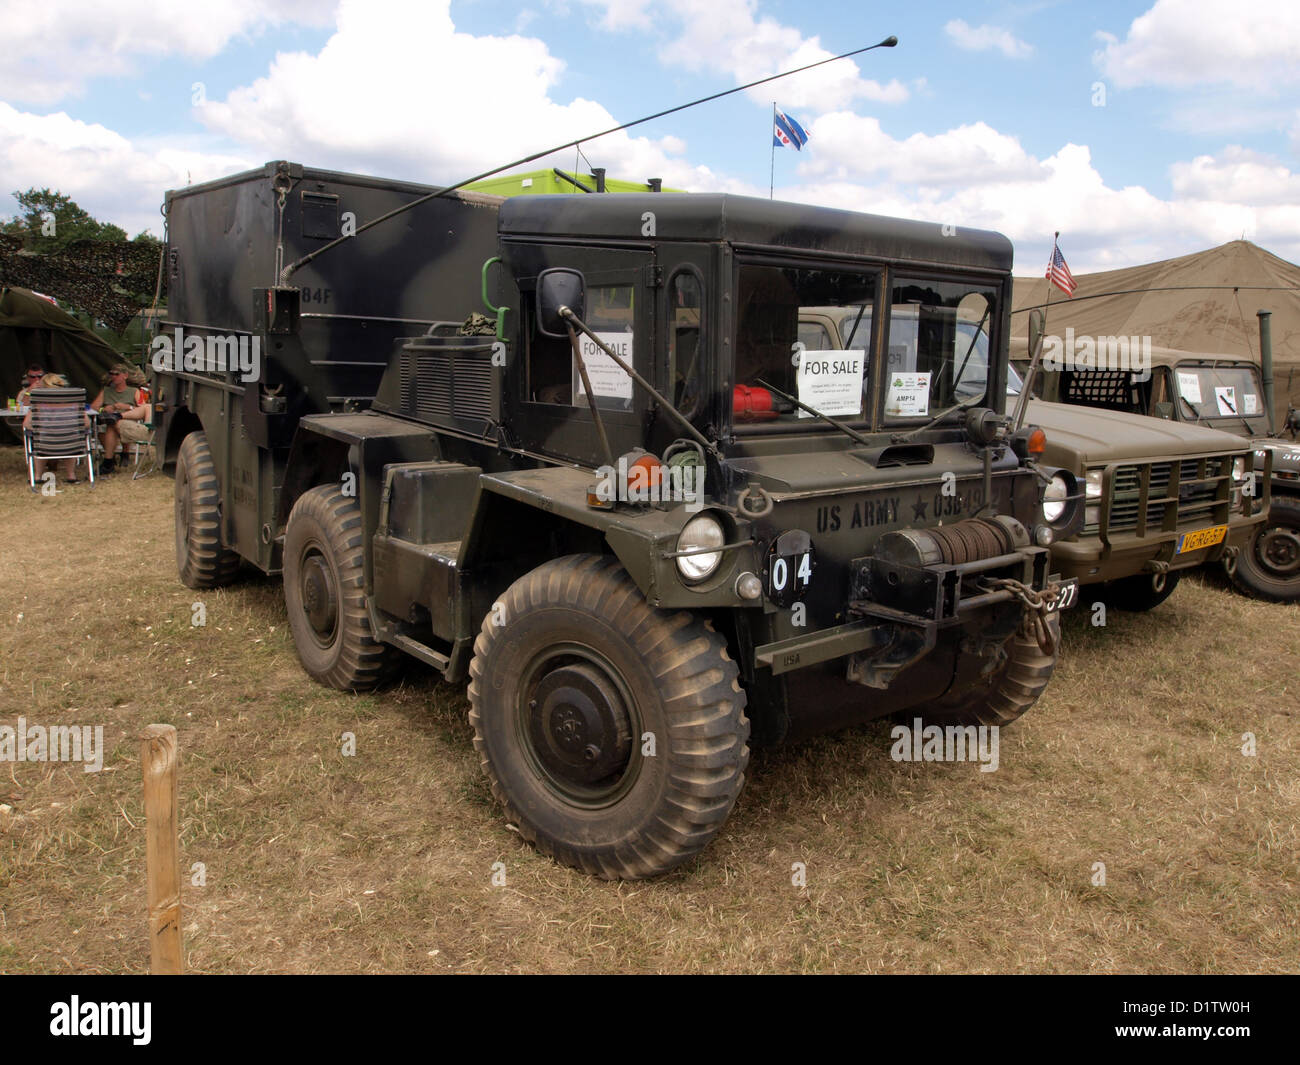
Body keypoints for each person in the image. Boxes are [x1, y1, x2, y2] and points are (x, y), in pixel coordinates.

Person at [23, 373, 90, 485]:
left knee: (41, 437)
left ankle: (37, 476)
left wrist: (42, 430)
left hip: (46, 445)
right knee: (71, 435)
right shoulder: (73, 402)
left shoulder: (39, 403)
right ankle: (71, 476)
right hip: (71, 444)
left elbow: (26, 424)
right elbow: (86, 423)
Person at [91, 364, 149, 474]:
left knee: (113, 425)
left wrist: (128, 407)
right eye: (111, 374)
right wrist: (103, 409)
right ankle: (115, 457)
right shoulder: (106, 391)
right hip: (109, 419)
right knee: (109, 424)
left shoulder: (134, 391)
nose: (113, 376)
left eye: (117, 374)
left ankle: (109, 461)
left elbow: (144, 408)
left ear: (125, 376)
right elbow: (93, 407)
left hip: (127, 419)